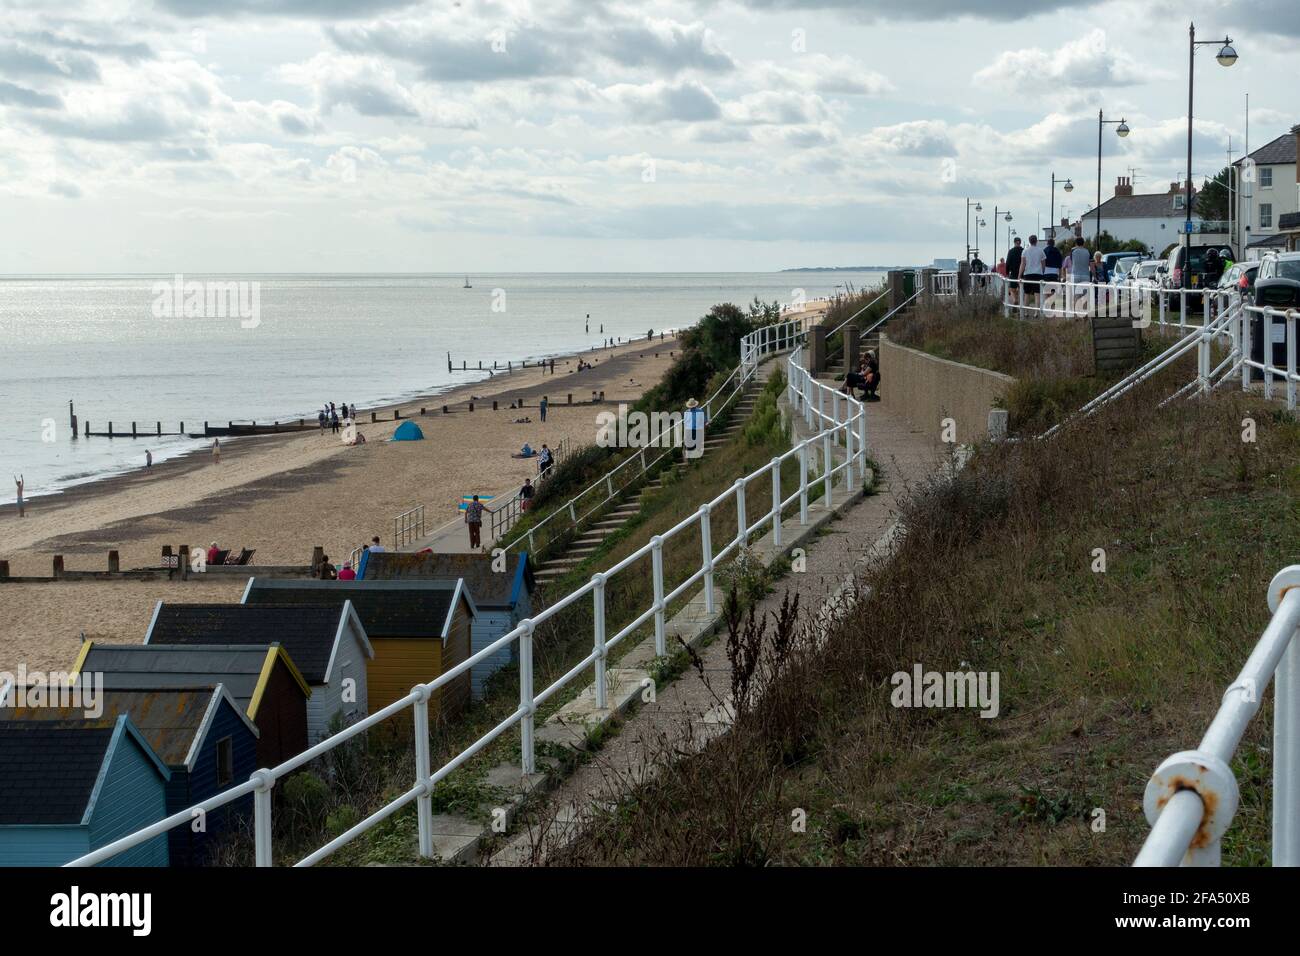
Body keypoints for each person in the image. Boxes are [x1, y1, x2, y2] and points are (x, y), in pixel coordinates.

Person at [1019, 234, 1046, 310]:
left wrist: (1019, 275)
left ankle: (1026, 312)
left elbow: (1022, 264)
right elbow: (1043, 264)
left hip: (1027, 274)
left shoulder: (1025, 251)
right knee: (1037, 294)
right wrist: (1042, 272)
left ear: (1029, 241)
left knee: (1027, 294)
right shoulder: (1041, 251)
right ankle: (1036, 312)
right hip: (1038, 274)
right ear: (1036, 241)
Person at [1005, 237, 1023, 305]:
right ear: (1020, 242)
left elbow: (1008, 262)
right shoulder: (1023, 250)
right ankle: (1020, 302)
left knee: (1012, 289)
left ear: (1014, 242)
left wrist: (1007, 272)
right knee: (1021, 288)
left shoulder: (1011, 251)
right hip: (1022, 273)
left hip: (1013, 272)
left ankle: (1015, 300)